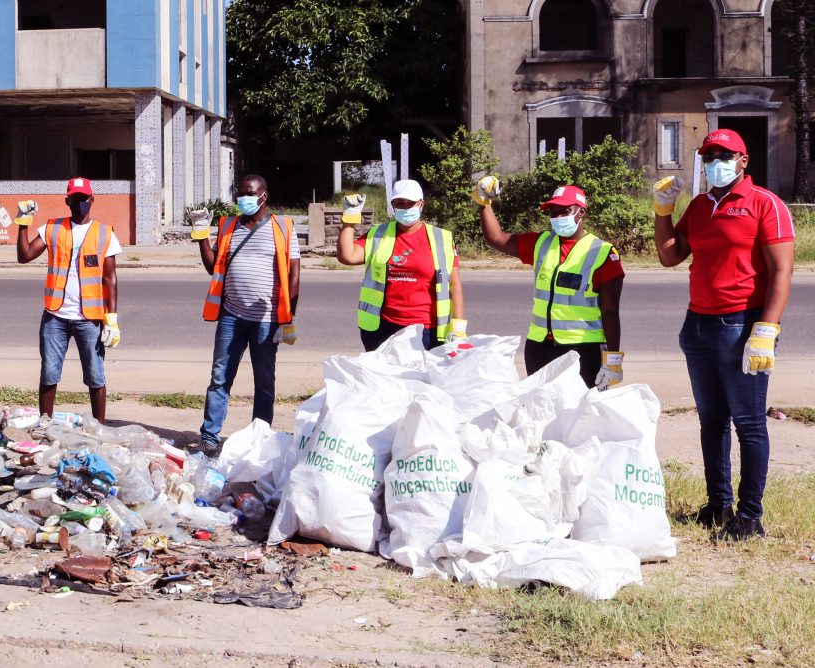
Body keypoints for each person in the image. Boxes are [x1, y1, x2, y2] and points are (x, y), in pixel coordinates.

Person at [653, 128, 795, 541]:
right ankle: (718, 506)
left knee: (749, 423)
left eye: (723, 154)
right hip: (697, 325)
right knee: (711, 421)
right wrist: (663, 211)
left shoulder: (765, 204)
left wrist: (767, 329)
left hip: (742, 325)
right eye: (708, 155)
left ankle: (750, 516)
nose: (714, 161)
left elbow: (783, 270)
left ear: (743, 160)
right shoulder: (700, 206)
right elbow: (669, 256)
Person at [475, 179, 624, 387]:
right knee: (542, 414)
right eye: (553, 212)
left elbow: (610, 311)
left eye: (564, 211)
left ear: (581, 212)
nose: (558, 217)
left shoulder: (603, 253)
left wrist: (613, 361)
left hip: (584, 351)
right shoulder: (541, 243)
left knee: (580, 416)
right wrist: (483, 202)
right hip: (539, 348)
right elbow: (496, 238)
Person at [189, 174, 299, 453]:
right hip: (231, 315)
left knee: (264, 380)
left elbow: (294, 273)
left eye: (250, 194)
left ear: (264, 196)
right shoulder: (227, 225)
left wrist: (289, 319)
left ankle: (259, 437)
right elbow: (214, 267)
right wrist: (202, 235)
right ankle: (210, 436)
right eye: (240, 193)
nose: (244, 199)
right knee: (220, 376)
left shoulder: (283, 227)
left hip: (267, 318)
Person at [12, 177, 121, 423]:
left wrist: (111, 319)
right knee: (49, 373)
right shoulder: (52, 228)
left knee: (95, 376)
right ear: (67, 201)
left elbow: (110, 278)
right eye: (74, 199)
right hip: (55, 316)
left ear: (92, 199)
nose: (79, 203)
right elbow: (24, 255)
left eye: (83, 198)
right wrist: (22, 223)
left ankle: (98, 427)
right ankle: (45, 423)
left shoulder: (105, 233)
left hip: (90, 319)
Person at [337, 179, 467, 351]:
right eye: (400, 203)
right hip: (383, 329)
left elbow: (454, 284)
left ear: (421, 204)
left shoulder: (441, 239)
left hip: (428, 332)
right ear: (393, 205)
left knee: (422, 378)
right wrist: (349, 220)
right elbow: (348, 256)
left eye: (410, 203)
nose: (405, 208)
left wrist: (458, 329)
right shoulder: (378, 235)